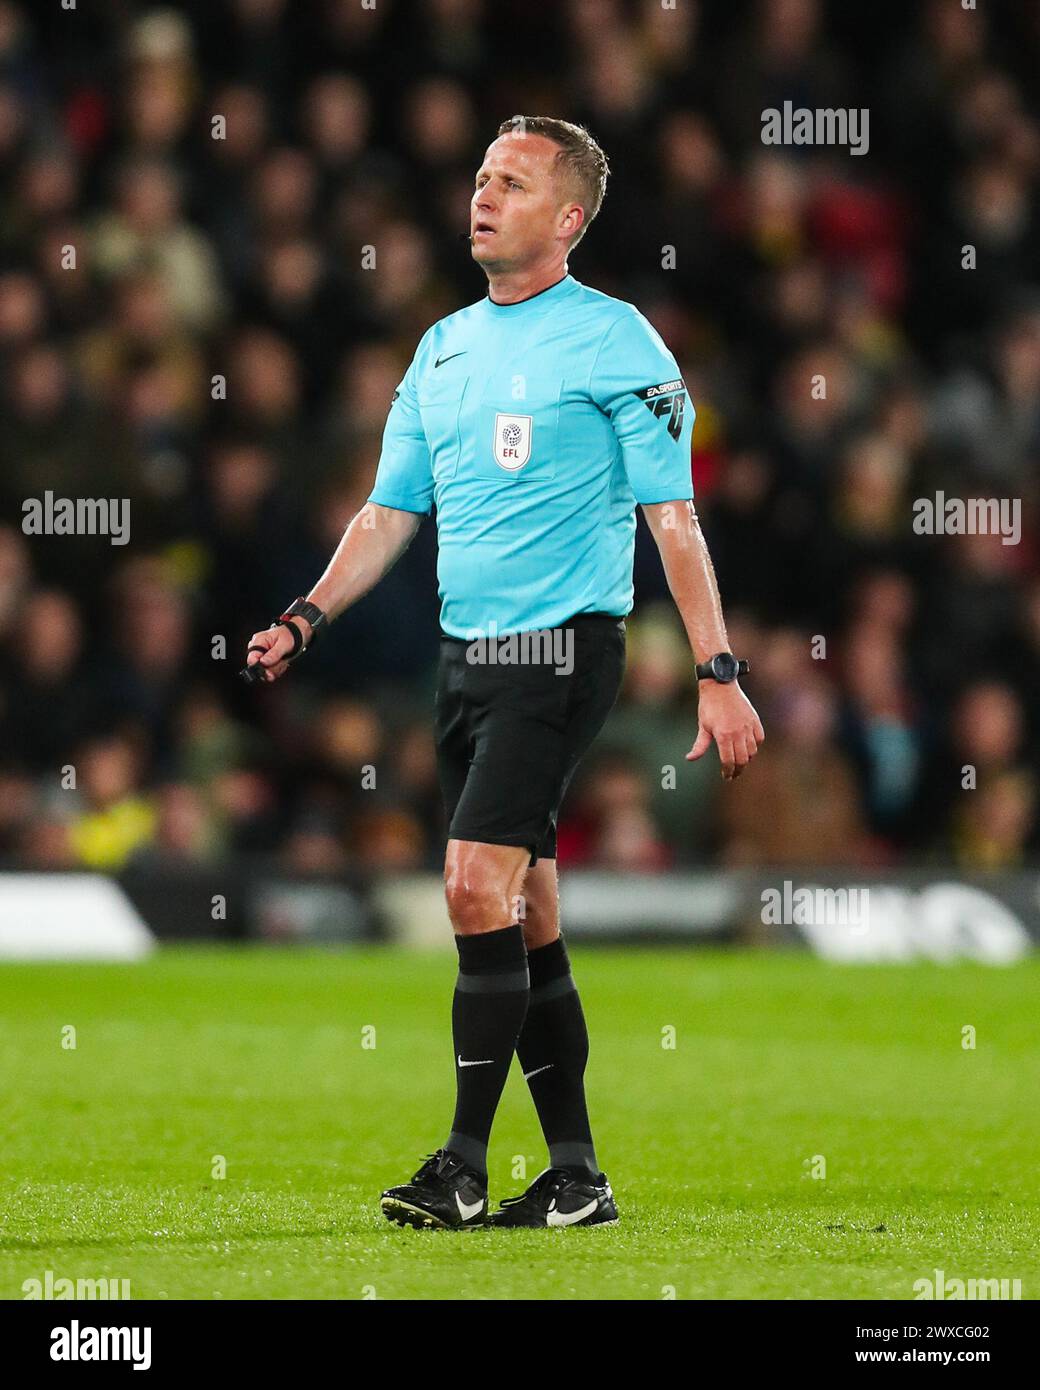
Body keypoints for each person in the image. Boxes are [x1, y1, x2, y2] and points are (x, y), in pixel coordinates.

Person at [244, 116, 763, 1230]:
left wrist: (717, 668)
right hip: (467, 659)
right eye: (481, 176)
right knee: (523, 911)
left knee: (470, 888)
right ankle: (575, 1175)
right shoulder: (440, 348)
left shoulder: (617, 342)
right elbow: (390, 512)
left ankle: (462, 1166)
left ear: (566, 219)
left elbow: (671, 517)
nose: (483, 194)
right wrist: (309, 614)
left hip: (561, 651)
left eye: (513, 182)